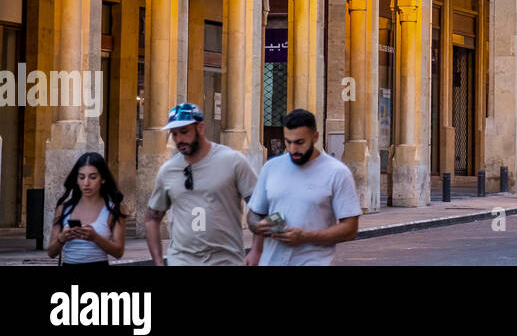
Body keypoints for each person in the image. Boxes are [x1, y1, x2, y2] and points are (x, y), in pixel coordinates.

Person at [146, 102, 259, 266]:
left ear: (200, 128)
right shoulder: (168, 170)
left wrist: (256, 250)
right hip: (181, 261)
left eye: (184, 132)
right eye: (174, 134)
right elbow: (151, 218)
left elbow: (259, 207)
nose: (179, 139)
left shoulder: (232, 161)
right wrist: (158, 261)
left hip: (226, 261)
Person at [246, 109, 361, 266]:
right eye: (288, 141)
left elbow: (350, 228)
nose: (293, 149)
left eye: (300, 142)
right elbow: (255, 213)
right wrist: (258, 229)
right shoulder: (271, 167)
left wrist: (306, 236)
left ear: (315, 137)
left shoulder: (337, 172)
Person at [48, 152, 127, 266]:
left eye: (93, 177)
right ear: (76, 180)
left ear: (103, 179)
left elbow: (119, 252)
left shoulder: (113, 210)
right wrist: (62, 238)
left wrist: (95, 237)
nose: (86, 183)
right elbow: (51, 253)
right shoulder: (63, 209)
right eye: (81, 177)